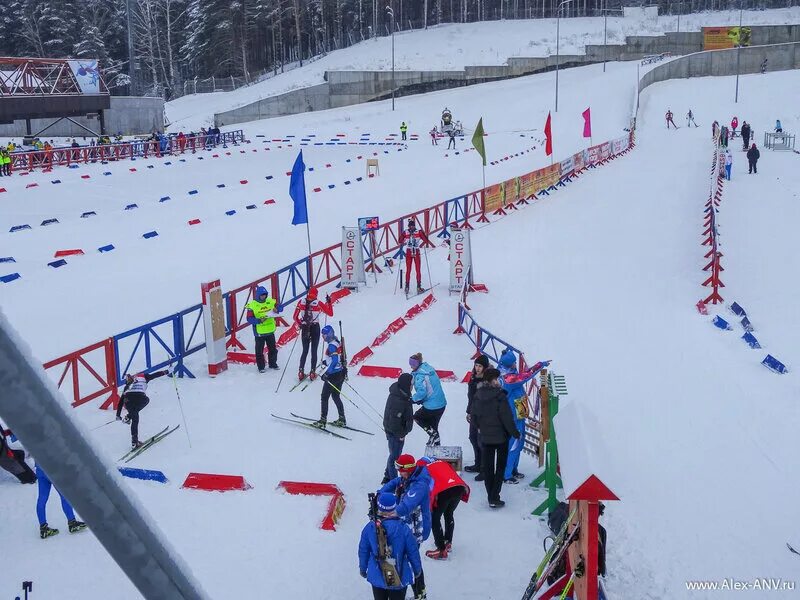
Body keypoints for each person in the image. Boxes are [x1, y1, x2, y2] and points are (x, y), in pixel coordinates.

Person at [359, 492, 423, 600]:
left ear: (379, 508)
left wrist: (363, 568)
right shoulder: (403, 528)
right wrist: (417, 569)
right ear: (394, 507)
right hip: (399, 572)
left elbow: (363, 550)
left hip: (377, 573)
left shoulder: (370, 528)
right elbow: (413, 551)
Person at [472, 367, 520, 508]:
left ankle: (490, 496)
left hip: (485, 438)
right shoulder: (500, 396)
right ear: (493, 380)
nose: (500, 381)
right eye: (498, 379)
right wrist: (515, 433)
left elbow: (473, 417)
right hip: (501, 438)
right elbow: (507, 418)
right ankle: (495, 496)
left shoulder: (478, 395)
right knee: (500, 467)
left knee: (488, 467)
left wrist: (480, 428)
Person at [417, 457, 470, 560]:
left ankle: (441, 550)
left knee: (434, 518)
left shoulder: (423, 468)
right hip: (459, 487)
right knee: (449, 513)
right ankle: (448, 542)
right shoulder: (442, 462)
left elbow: (427, 487)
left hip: (445, 490)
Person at [116, 368, 171, 448]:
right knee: (145, 402)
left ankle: (129, 418)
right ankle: (134, 441)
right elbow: (155, 375)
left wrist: (118, 415)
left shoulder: (127, 385)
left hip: (128, 400)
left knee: (135, 417)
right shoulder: (143, 376)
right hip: (140, 398)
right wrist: (167, 371)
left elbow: (121, 401)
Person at [293, 286, 333, 381]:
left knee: (305, 350)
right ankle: (312, 372)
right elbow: (330, 313)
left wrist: (300, 324)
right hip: (315, 327)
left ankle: (301, 371)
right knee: (314, 351)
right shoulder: (318, 303)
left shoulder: (301, 302)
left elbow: (295, 317)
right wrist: (329, 302)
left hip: (305, 327)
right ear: (316, 294)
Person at [36, 464, 87, 539]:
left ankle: (43, 528)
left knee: (42, 498)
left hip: (40, 470)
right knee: (64, 496)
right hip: (52, 470)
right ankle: (72, 523)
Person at [312, 325, 347, 429]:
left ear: (329, 335)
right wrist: (326, 361)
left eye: (324, 335)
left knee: (324, 397)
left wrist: (327, 373)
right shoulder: (337, 342)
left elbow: (335, 360)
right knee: (336, 396)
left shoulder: (331, 346)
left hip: (333, 375)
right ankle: (342, 419)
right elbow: (335, 358)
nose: (323, 337)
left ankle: (322, 421)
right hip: (340, 373)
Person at [382, 373, 414, 485]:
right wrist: (401, 434)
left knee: (394, 454)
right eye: (411, 384)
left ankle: (387, 476)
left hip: (397, 431)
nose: (412, 386)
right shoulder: (398, 400)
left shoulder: (402, 394)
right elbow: (394, 422)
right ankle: (394, 482)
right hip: (396, 433)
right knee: (395, 458)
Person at [409, 353, 447, 446]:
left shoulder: (420, 376)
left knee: (417, 417)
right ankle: (436, 444)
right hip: (441, 404)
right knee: (434, 427)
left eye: (413, 364)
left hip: (432, 406)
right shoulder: (428, 369)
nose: (411, 366)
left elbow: (422, 393)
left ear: (418, 364)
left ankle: (433, 434)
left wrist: (413, 399)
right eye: (410, 364)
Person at [465, 355, 489, 478]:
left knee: (482, 442)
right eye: (476, 365)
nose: (477, 368)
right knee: (473, 438)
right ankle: (478, 464)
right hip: (474, 413)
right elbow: (471, 397)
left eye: (480, 366)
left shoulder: (487, 381)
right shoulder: (473, 378)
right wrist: (469, 411)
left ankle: (485, 469)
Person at [246, 285, 279, 373]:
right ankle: (261, 367)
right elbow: (249, 319)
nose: (263, 297)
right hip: (259, 332)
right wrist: (259, 320)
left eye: (265, 295)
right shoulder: (252, 305)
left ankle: (273, 363)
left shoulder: (270, 301)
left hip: (270, 330)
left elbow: (280, 307)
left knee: (273, 349)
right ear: (258, 295)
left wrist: (277, 309)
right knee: (259, 351)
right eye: (262, 295)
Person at [399, 219, 428, 294]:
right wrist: (421, 240)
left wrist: (404, 239)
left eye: (411, 226)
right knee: (417, 269)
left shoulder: (406, 232)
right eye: (411, 226)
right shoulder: (418, 232)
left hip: (409, 251)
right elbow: (426, 240)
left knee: (409, 269)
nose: (411, 227)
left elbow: (400, 241)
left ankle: (407, 287)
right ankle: (418, 287)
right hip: (416, 251)